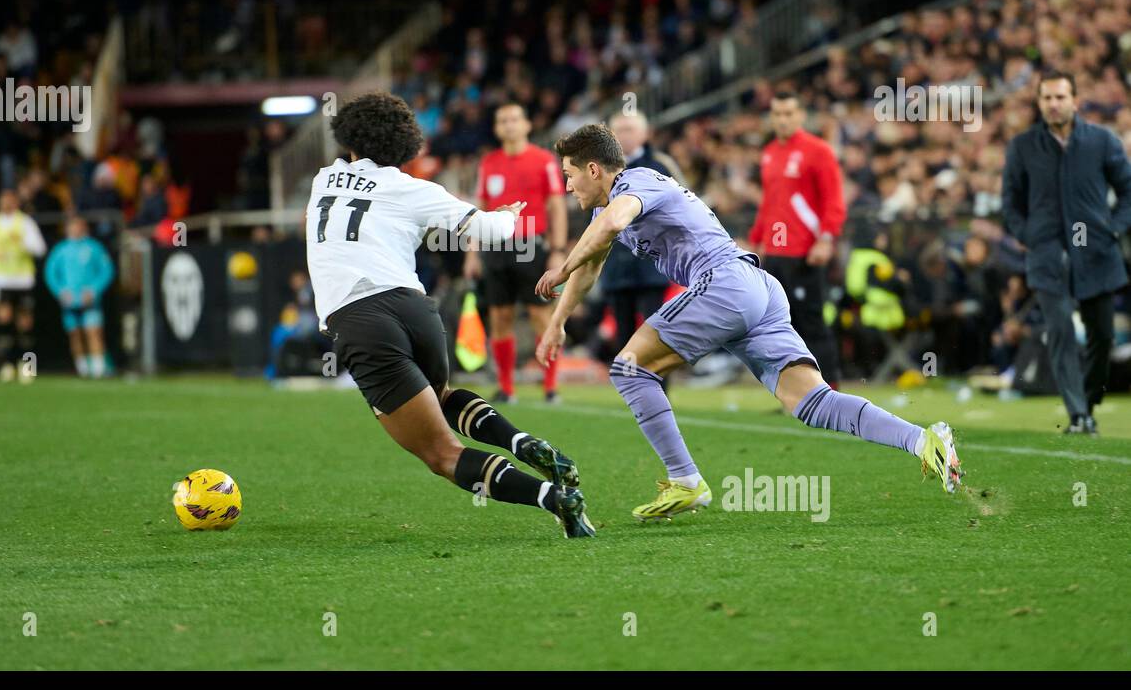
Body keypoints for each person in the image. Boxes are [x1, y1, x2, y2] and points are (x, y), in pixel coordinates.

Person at [535, 124, 963, 521]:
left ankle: (685, 480)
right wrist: (557, 323)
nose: (567, 184)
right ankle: (925, 441)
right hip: (757, 288)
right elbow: (590, 267)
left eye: (570, 174)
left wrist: (561, 267)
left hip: (723, 283)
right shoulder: (605, 211)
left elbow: (612, 225)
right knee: (812, 403)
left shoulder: (636, 181)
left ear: (595, 169)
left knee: (630, 369)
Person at [307, 92, 592, 537]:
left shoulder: (323, 180)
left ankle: (553, 499)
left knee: (442, 454)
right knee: (438, 396)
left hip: (360, 320)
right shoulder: (414, 190)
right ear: (406, 145)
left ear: (349, 139)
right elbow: (490, 229)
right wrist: (508, 216)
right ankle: (524, 443)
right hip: (415, 309)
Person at [1002, 70, 1131, 434]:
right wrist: (1027, 233)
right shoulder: (1023, 146)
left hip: (1097, 253)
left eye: (1060, 97)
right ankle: (1078, 415)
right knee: (1058, 330)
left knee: (1102, 338)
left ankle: (1087, 405)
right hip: (1046, 255)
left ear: (1075, 100)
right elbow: (1009, 202)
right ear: (1039, 103)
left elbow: (1128, 189)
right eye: (1047, 98)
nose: (1054, 104)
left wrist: (1115, 227)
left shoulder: (1102, 141)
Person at [463, 103, 568, 402]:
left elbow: (556, 205)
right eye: (502, 120)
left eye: (514, 119)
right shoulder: (489, 163)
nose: (509, 125)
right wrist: (472, 253)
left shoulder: (543, 160)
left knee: (539, 314)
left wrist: (558, 250)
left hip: (530, 243)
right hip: (495, 247)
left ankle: (550, 386)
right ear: (497, 128)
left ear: (526, 125)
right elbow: (478, 210)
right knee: (500, 316)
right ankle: (507, 388)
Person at [748, 91, 845, 386]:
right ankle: (795, 392)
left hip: (804, 251)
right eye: (777, 114)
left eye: (789, 113)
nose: (783, 119)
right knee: (779, 327)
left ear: (801, 115)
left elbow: (833, 199)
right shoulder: (768, 153)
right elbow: (770, 203)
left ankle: (831, 391)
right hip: (776, 253)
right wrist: (756, 240)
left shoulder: (818, 150)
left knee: (811, 323)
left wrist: (826, 238)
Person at [599, 111, 679, 363]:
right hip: (616, 265)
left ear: (645, 134)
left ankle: (659, 390)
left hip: (652, 264)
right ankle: (632, 390)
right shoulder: (599, 169)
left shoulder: (660, 166)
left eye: (630, 129)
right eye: (619, 130)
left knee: (655, 331)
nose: (624, 135)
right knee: (623, 335)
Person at [0, 188, 47, 383]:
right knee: (4, 321)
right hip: (1, 279)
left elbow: (40, 248)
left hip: (23, 279)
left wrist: (23, 242)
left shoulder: (25, 223)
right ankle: (7, 366)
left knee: (25, 324)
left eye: (10, 200)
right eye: (3, 200)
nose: (7, 203)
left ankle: (28, 366)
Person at [45, 214, 115, 378]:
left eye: (78, 226)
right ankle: (82, 368)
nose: (75, 229)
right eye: (72, 226)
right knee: (75, 334)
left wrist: (94, 290)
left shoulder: (94, 247)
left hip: (90, 300)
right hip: (70, 301)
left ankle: (99, 369)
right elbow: (51, 273)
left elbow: (107, 271)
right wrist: (60, 291)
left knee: (93, 332)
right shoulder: (61, 249)